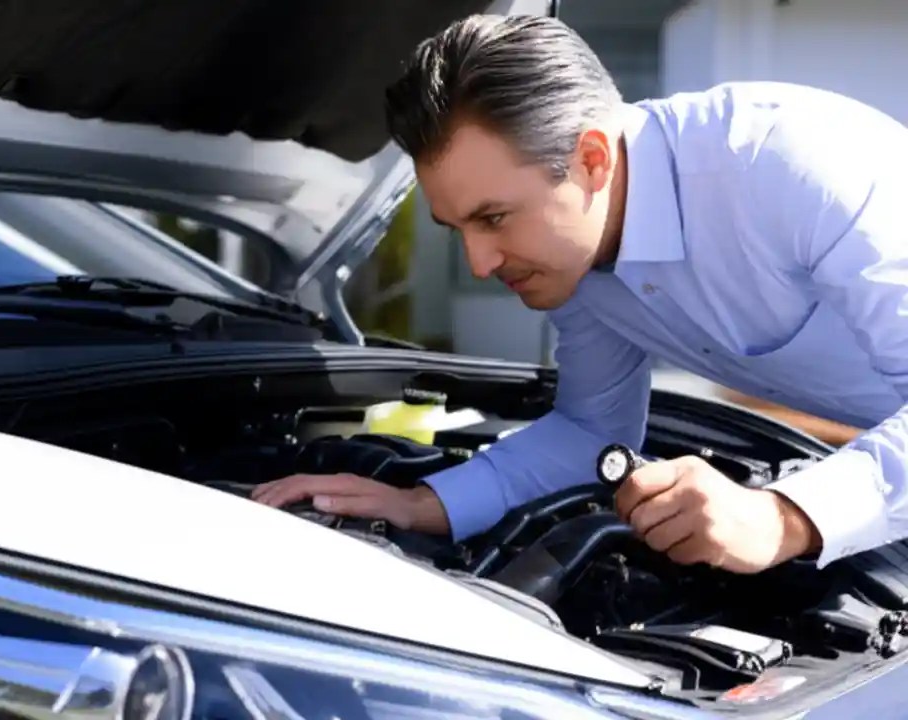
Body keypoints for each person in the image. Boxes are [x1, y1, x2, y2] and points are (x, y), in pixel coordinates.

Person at [251, 13, 908, 574]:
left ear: (593, 160)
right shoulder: (572, 256)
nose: (479, 263)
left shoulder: (796, 169)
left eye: (495, 218)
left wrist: (785, 516)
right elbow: (592, 429)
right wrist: (419, 505)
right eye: (457, 230)